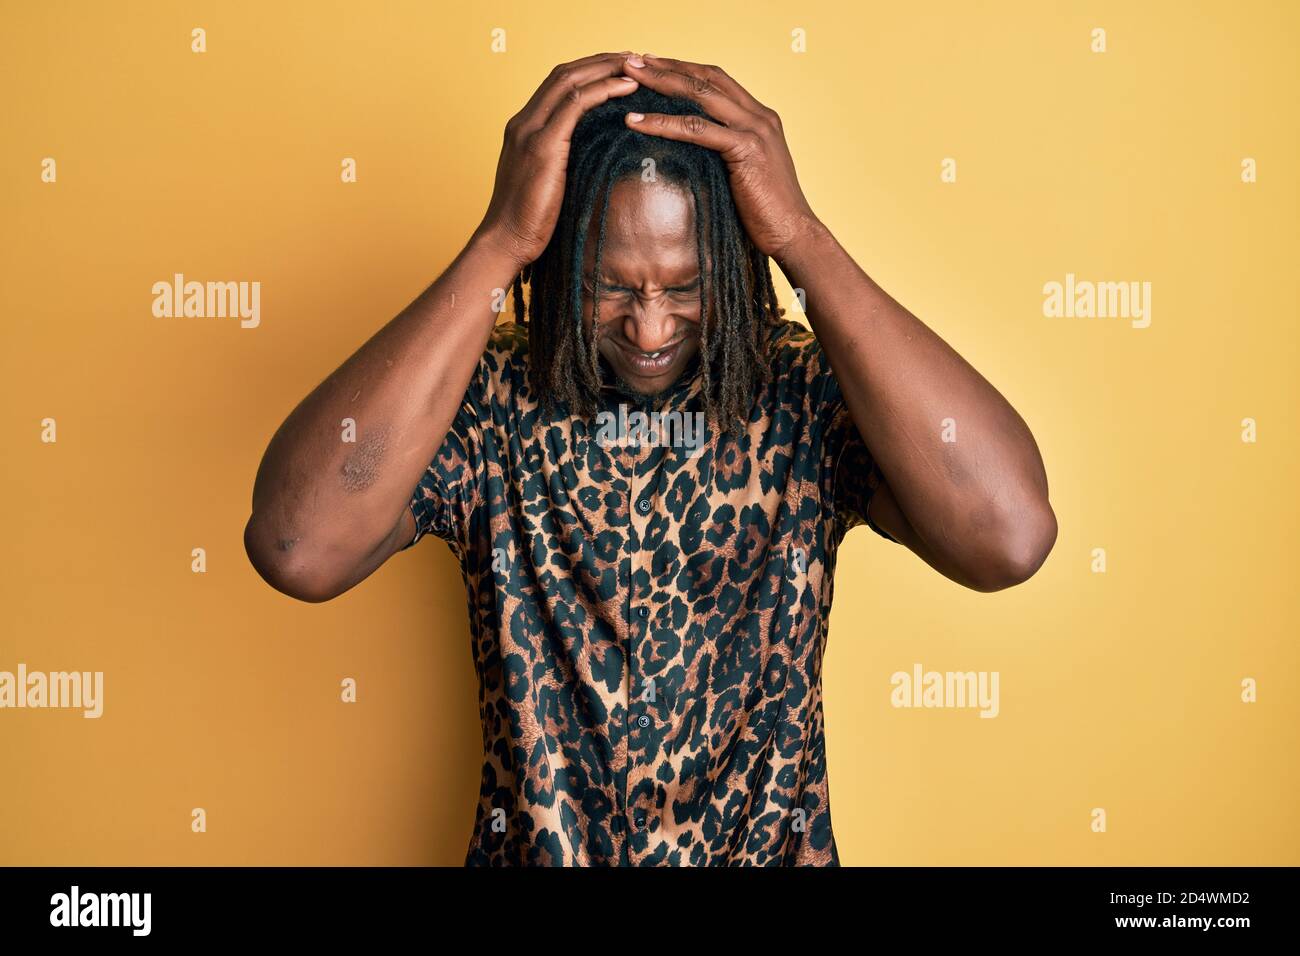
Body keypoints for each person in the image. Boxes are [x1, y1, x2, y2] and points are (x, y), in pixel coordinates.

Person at [243, 52, 1057, 865]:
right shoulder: (490, 398)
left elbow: (1009, 536)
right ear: (558, 264)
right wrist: (498, 243)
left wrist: (802, 239)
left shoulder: (803, 395)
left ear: (739, 270)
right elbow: (297, 548)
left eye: (686, 286)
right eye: (611, 286)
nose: (651, 328)